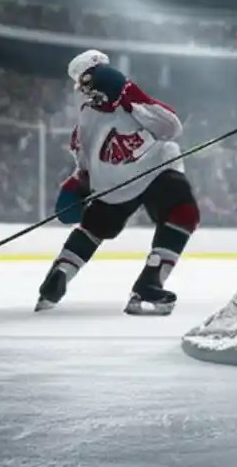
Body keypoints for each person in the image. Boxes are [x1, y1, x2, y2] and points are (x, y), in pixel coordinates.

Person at [35, 50, 200, 315]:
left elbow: (84, 164)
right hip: (154, 172)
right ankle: (149, 283)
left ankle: (62, 269)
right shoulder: (128, 101)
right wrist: (130, 93)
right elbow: (171, 127)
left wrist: (77, 186)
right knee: (183, 213)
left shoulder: (84, 121)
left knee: (94, 227)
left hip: (111, 188)